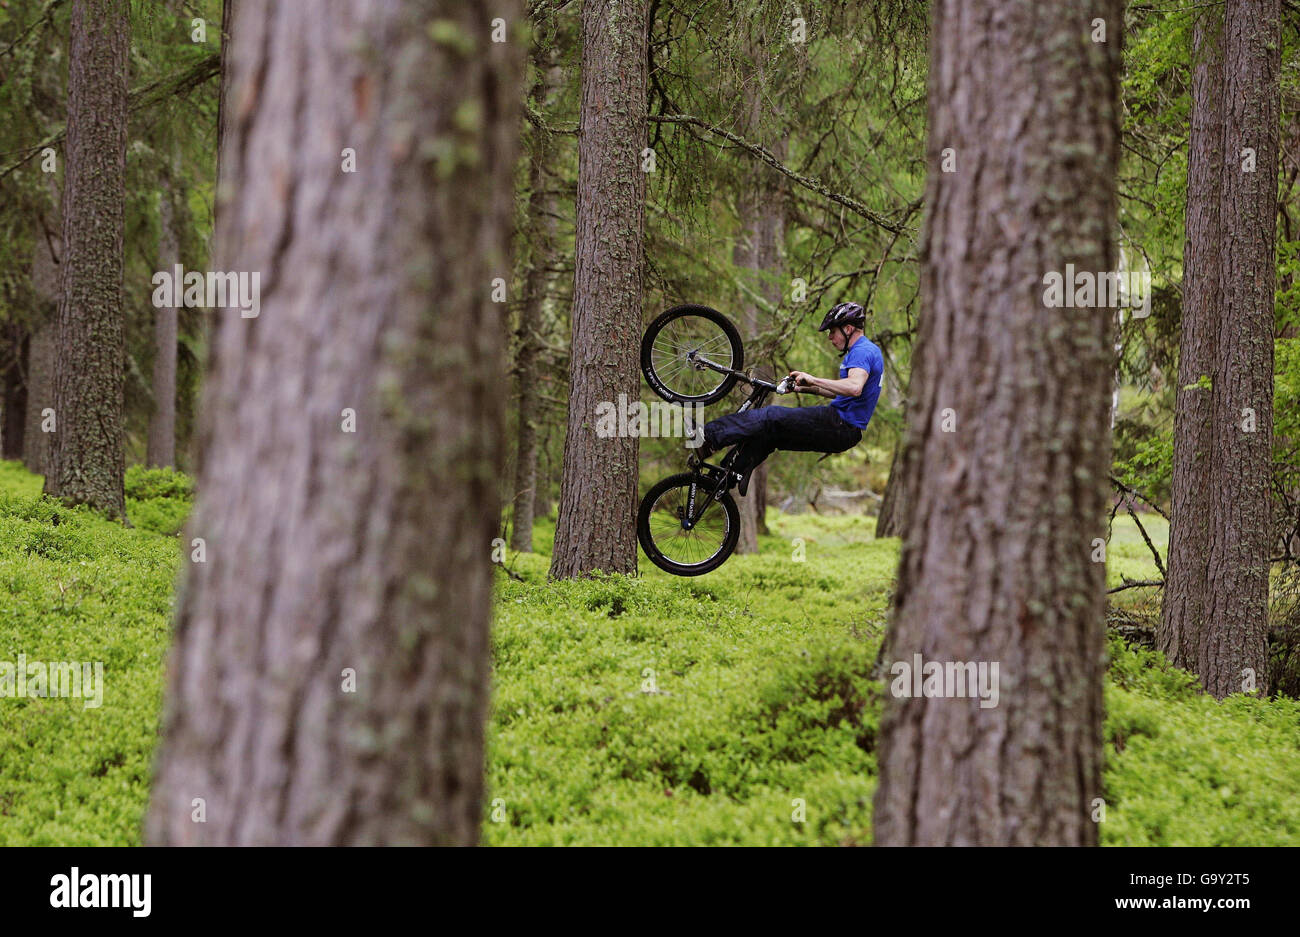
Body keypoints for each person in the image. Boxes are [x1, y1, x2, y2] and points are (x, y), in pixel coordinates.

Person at [687, 302, 884, 494]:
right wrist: (803, 388)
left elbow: (854, 388)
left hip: (840, 424)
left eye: (832, 331)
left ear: (848, 328)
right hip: (843, 430)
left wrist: (814, 378)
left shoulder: (862, 351)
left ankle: (709, 438)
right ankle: (723, 479)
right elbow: (837, 392)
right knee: (768, 434)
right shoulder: (860, 352)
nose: (830, 337)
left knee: (771, 416)